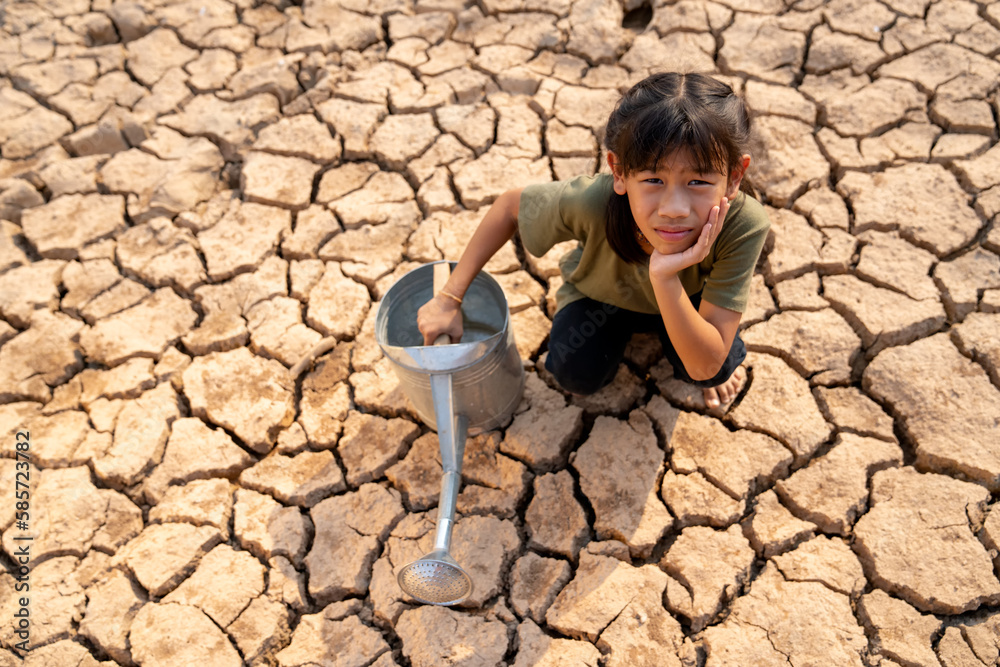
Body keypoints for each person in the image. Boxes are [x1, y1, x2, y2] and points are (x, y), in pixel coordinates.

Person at [417, 72, 769, 410]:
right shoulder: (592, 202)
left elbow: (703, 367)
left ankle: (706, 344)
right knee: (575, 375)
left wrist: (664, 277)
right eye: (652, 179)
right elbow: (509, 206)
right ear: (618, 171)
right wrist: (449, 298)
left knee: (709, 370)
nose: (674, 209)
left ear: (735, 176)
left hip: (687, 300)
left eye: (698, 182)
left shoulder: (742, 223)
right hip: (602, 298)